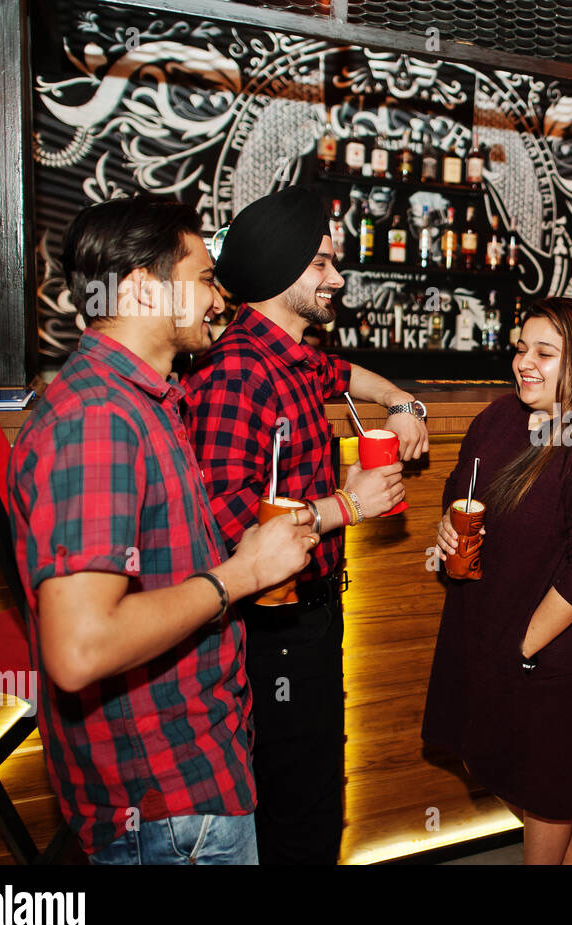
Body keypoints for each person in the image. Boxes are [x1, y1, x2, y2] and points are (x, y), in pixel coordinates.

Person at [7, 195, 319, 864]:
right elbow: (82, 646)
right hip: (167, 807)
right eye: (205, 277)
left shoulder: (143, 402)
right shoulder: (98, 421)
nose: (220, 297)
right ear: (147, 290)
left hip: (191, 784)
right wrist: (243, 573)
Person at [182, 185, 426, 865]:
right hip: (270, 627)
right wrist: (344, 507)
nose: (338, 279)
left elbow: (346, 372)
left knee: (316, 787)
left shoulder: (290, 356)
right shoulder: (238, 373)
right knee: (294, 805)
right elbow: (227, 522)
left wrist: (404, 401)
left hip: (311, 615)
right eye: (321, 264)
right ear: (276, 269)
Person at [423, 298, 572, 865]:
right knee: (482, 758)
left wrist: (522, 649)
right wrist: (446, 527)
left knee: (543, 791)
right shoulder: (497, 417)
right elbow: (458, 489)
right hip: (486, 624)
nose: (525, 362)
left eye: (545, 352)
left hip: (550, 650)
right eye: (521, 348)